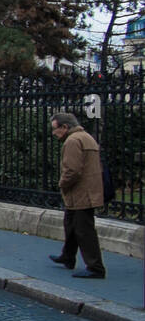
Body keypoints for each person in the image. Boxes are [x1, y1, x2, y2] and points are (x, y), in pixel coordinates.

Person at [48, 113, 106, 279]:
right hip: (88, 190)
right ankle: (67, 256)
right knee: (71, 225)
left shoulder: (72, 141)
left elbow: (72, 170)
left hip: (80, 193)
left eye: (55, 129)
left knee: (84, 230)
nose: (54, 133)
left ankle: (95, 267)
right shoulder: (87, 137)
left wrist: (62, 184)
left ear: (65, 127)